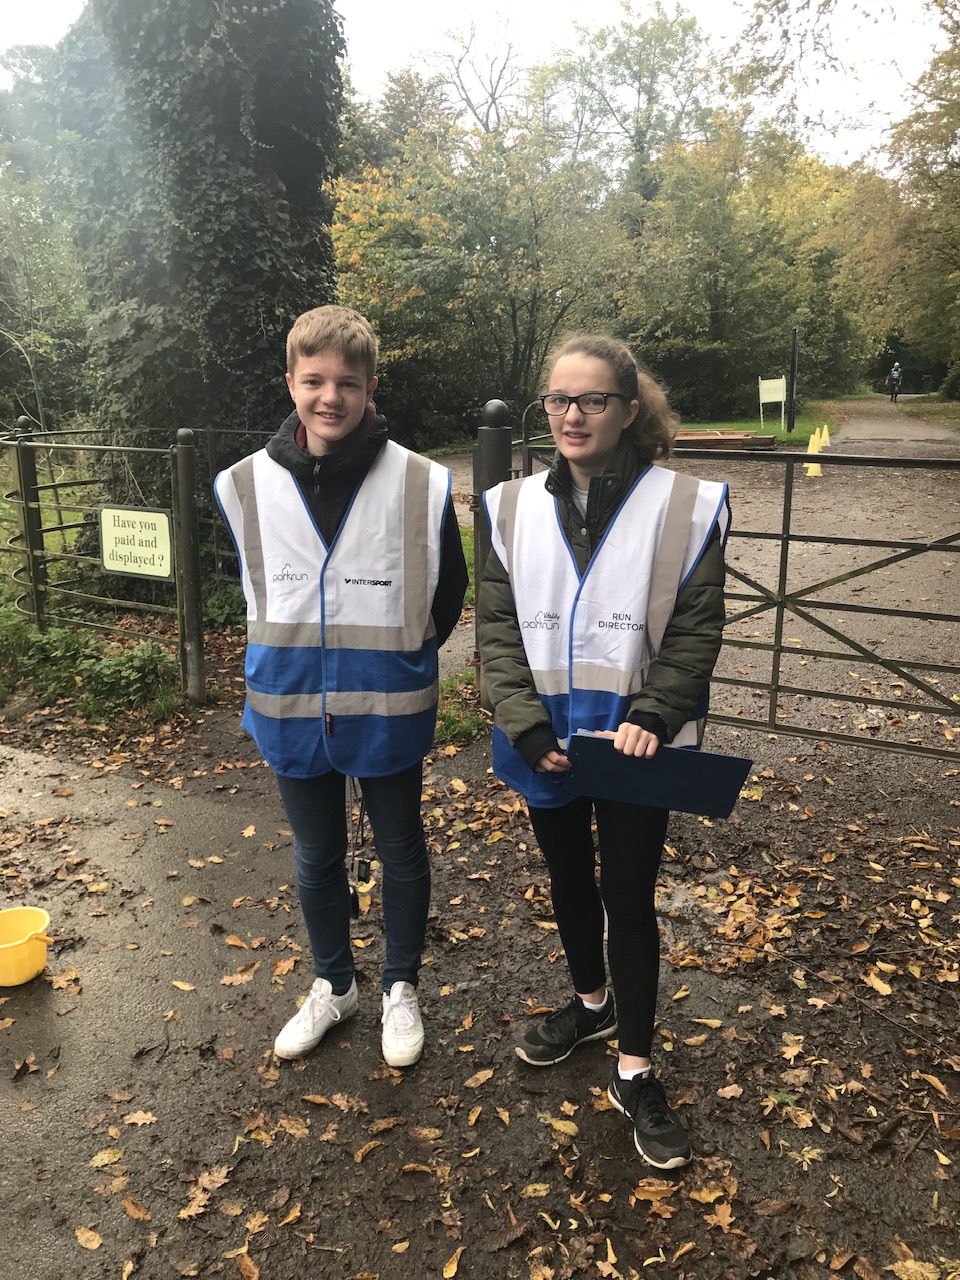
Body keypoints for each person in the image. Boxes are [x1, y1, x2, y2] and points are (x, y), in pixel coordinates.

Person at [478, 333, 729, 1170]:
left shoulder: (683, 506)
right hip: (545, 744)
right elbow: (498, 631)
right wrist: (522, 721)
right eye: (558, 400)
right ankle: (591, 1005)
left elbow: (696, 628)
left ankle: (634, 1067)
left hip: (633, 749)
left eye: (591, 400)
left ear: (628, 410)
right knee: (566, 880)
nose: (572, 416)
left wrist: (656, 714)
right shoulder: (507, 506)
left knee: (628, 892)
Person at [215, 306, 467, 1068]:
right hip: (289, 704)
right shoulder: (242, 485)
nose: (331, 397)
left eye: (347, 383)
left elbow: (446, 592)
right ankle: (333, 984)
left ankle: (398, 986)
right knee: (317, 853)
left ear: (371, 389)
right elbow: (258, 591)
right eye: (315, 380)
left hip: (388, 704)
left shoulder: (420, 482)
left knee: (400, 848)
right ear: (290, 382)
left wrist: (396, 662)